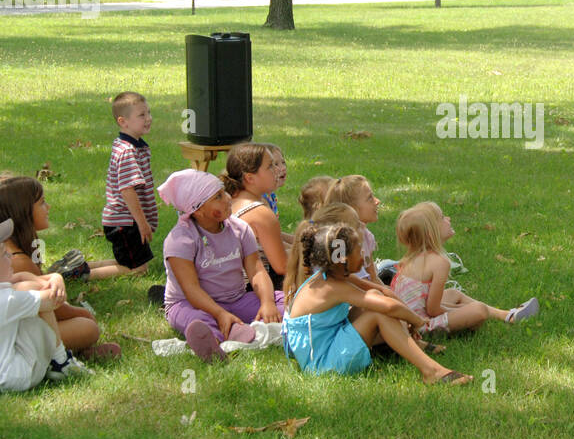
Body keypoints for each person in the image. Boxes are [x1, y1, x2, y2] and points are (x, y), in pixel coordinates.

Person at [283, 219, 471, 384]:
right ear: (343, 258)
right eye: (359, 248)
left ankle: (408, 346)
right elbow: (388, 307)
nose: (364, 252)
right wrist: (416, 321)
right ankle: (432, 371)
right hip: (322, 363)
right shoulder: (332, 286)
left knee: (374, 295)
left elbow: (382, 290)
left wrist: (406, 319)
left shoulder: (335, 275)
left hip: (330, 342)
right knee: (377, 312)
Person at [0, 175, 120, 361]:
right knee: (88, 328)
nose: (48, 207)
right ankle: (62, 357)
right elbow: (55, 307)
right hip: (13, 340)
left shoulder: (12, 246)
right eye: (42, 203)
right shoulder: (18, 260)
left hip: (13, 330)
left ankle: (74, 352)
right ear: (22, 212)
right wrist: (85, 314)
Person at [0, 221, 92, 392]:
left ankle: (58, 360)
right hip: (15, 378)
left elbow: (19, 278)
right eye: (4, 254)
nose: (11, 256)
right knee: (36, 295)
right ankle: (61, 362)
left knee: (28, 294)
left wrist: (52, 277)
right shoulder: (3, 301)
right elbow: (52, 298)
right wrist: (54, 280)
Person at [158, 169, 279, 363]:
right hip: (189, 304)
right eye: (218, 197)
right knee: (199, 322)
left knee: (285, 304)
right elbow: (191, 289)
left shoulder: (239, 229)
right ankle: (213, 343)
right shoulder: (181, 240)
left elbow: (256, 270)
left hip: (236, 299)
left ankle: (234, 329)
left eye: (224, 192)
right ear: (198, 210)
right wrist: (220, 313)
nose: (228, 198)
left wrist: (267, 303)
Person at [393, 201, 539, 336]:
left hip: (409, 319)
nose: (448, 218)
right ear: (431, 234)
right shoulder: (439, 263)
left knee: (453, 293)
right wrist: (462, 311)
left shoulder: (413, 258)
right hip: (421, 326)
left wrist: (455, 308)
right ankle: (503, 315)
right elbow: (433, 310)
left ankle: (507, 315)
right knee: (479, 310)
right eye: (442, 217)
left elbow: (428, 305)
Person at [223, 142, 290, 317]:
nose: (277, 170)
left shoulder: (229, 200)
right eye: (270, 166)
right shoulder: (260, 213)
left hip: (224, 287)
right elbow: (283, 266)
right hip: (252, 288)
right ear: (250, 178)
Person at [101, 91, 157, 277]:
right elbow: (127, 190)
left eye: (148, 113)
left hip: (126, 221)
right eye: (142, 115)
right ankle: (82, 274)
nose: (148, 118)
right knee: (139, 268)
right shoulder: (128, 151)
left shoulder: (135, 146)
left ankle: (81, 266)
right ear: (122, 122)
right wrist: (142, 223)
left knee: (127, 261)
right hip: (125, 222)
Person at [324, 175, 385, 284]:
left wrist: (388, 293)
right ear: (351, 208)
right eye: (370, 198)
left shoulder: (366, 235)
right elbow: (359, 285)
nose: (377, 201)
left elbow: (373, 277)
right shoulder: (341, 243)